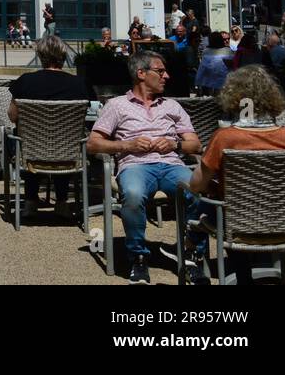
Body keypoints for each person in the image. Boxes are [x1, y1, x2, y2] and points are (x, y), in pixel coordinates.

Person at [86, 51, 201, 284]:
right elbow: (92, 144)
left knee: (198, 190)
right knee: (134, 195)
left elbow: (195, 144)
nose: (166, 76)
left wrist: (174, 143)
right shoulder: (117, 105)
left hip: (171, 163)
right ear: (141, 73)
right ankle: (138, 257)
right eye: (160, 71)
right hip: (135, 164)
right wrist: (127, 144)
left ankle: (191, 253)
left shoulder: (172, 106)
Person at [185, 65, 285, 284]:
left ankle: (195, 254)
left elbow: (196, 185)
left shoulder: (225, 138)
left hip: (239, 227)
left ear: (234, 97)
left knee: (211, 201)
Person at [6, 36, 90, 217]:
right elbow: (82, 118)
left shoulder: (25, 81)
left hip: (31, 152)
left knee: (24, 137)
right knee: (64, 138)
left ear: (40, 56)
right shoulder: (78, 84)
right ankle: (61, 201)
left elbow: (12, 116)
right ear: (63, 55)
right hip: (67, 153)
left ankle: (30, 200)